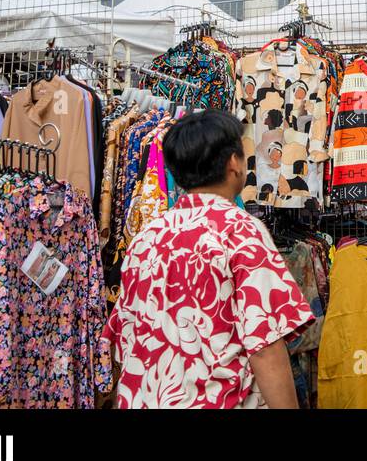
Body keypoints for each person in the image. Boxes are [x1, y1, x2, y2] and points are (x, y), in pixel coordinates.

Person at [101, 111, 313, 408]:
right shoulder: (241, 232)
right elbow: (265, 346)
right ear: (233, 163)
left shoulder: (145, 240)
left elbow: (127, 342)